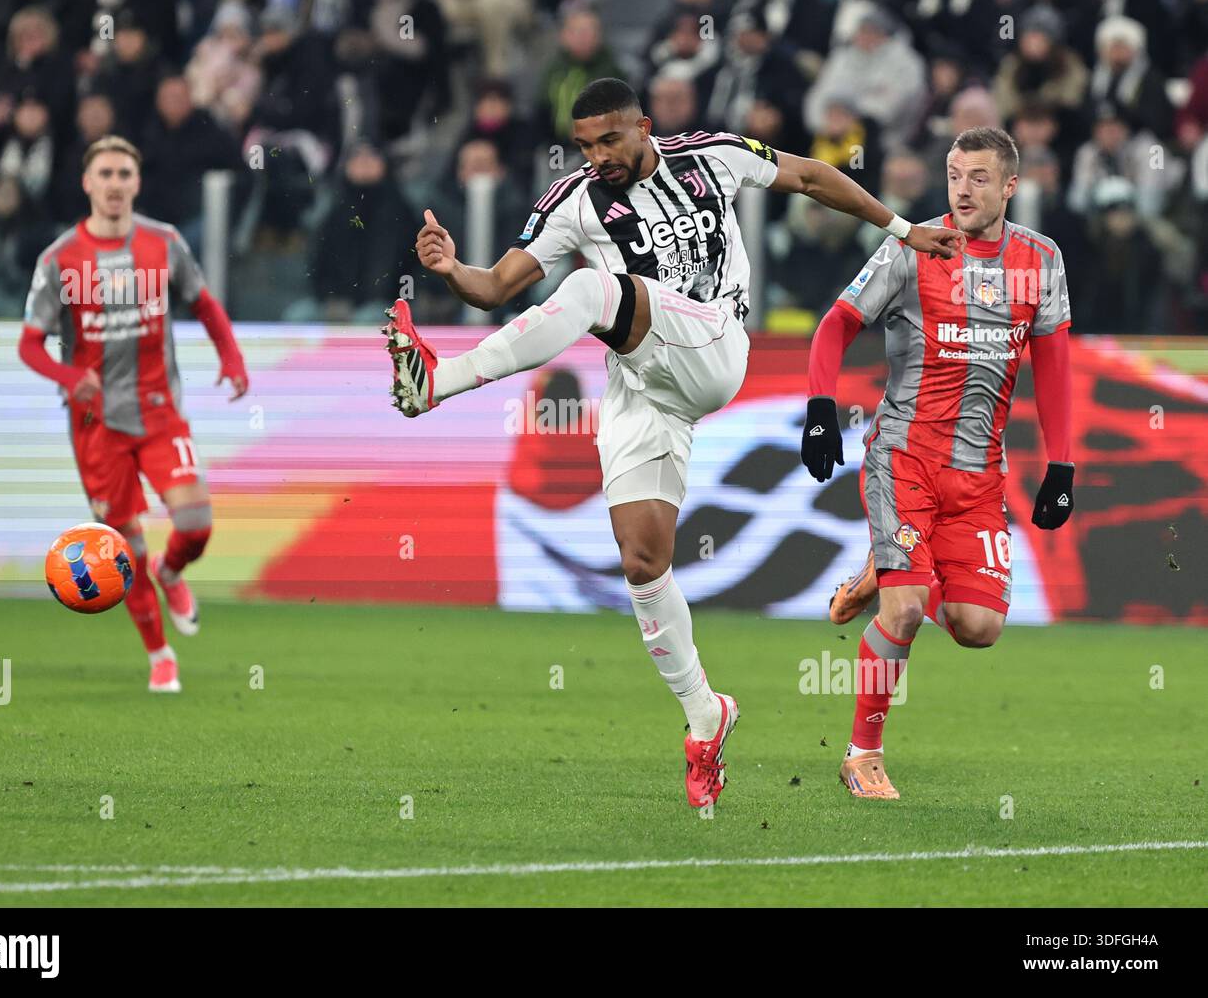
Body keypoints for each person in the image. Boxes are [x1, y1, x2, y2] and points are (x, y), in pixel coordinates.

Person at [383, 77, 963, 808]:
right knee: (642, 560)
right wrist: (450, 270)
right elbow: (496, 286)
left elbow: (814, 176)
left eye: (610, 141)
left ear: (644, 127)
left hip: (714, 343)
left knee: (596, 289)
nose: (597, 157)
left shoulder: (712, 154)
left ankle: (437, 382)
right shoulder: (572, 202)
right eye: (585, 145)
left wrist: (904, 230)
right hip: (643, 379)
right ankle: (705, 714)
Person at [800, 127, 1075, 799]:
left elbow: (1055, 365)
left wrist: (1062, 467)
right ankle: (862, 753)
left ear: (1011, 185)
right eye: (955, 173)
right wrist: (818, 409)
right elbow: (835, 323)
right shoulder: (911, 245)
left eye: (980, 176)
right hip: (904, 459)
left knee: (979, 628)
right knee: (905, 606)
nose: (963, 187)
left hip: (980, 476)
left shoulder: (1040, 258)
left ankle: (888, 569)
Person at [18, 136, 249, 693]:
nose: (116, 183)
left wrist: (232, 356)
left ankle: (172, 573)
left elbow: (204, 303)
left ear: (136, 183)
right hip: (97, 426)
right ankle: (160, 656)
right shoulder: (59, 260)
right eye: (105, 173)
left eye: (125, 172)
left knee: (195, 523)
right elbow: (28, 345)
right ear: (87, 182)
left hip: (160, 410)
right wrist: (72, 378)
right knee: (124, 548)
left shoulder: (164, 242)